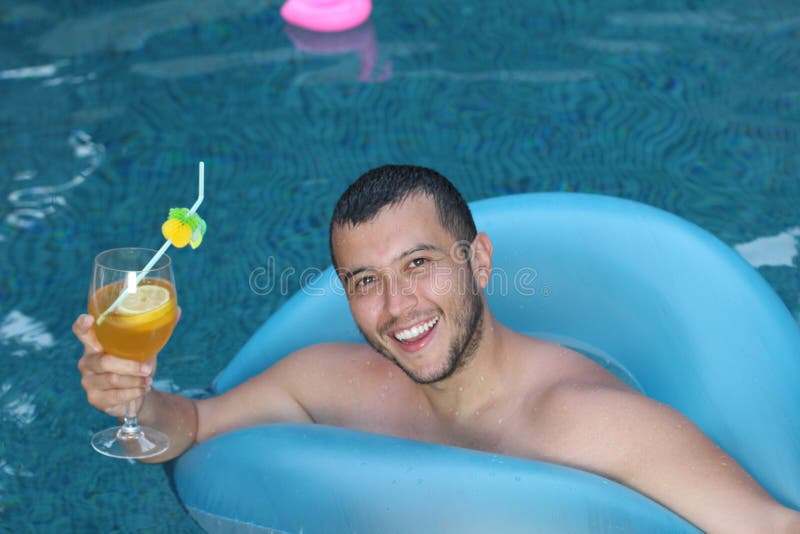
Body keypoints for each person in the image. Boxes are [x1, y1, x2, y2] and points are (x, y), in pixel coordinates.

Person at [75, 165, 799, 533]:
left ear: (480, 263)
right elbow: (191, 428)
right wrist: (136, 403)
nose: (398, 308)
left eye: (420, 264)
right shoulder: (330, 382)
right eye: (366, 281)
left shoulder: (593, 423)